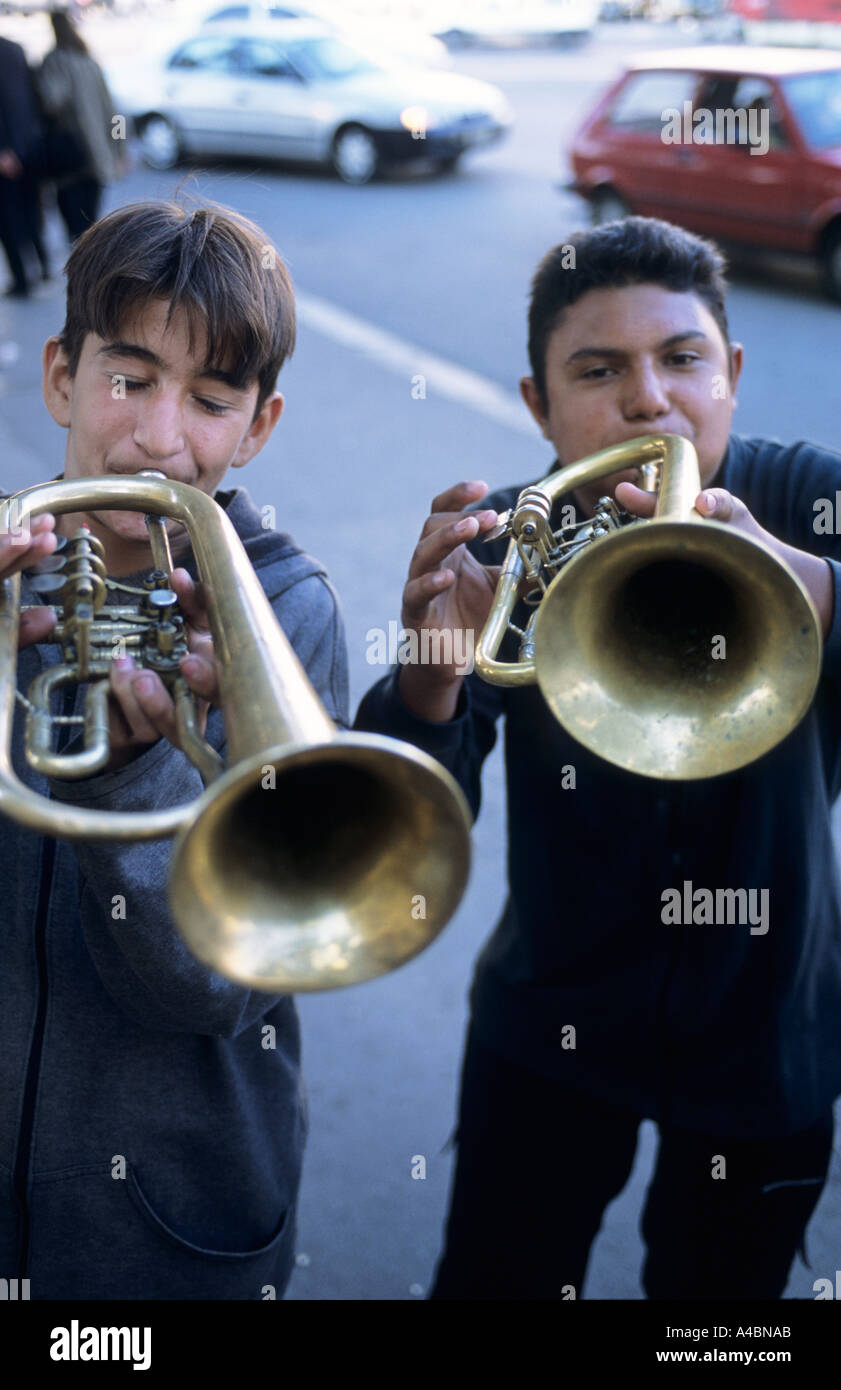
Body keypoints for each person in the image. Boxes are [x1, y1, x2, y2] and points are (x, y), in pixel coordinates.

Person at [355, 216, 841, 1300]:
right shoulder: (504, 542)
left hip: (766, 1034)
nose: (648, 399)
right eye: (596, 369)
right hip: (552, 1022)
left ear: (733, 372)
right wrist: (431, 675)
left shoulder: (812, 497)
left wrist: (817, 594)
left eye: (682, 358)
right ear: (536, 403)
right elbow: (402, 821)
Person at [0, 198, 348, 1299]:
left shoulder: (286, 616)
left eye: (210, 400)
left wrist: (127, 771)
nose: (159, 439)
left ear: (258, 428)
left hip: (166, 1227)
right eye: (129, 377)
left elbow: (218, 984)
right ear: (62, 376)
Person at [35, 11, 124, 243]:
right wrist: (120, 150)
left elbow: (51, 101)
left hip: (71, 157)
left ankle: (81, 272)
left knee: (75, 228)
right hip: (98, 157)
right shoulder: (90, 62)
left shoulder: (55, 60)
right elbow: (114, 112)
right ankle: (91, 268)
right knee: (91, 223)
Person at [0, 35, 50, 296]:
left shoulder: (14, 49)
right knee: (30, 210)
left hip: (10, 151)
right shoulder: (16, 48)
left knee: (9, 219)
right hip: (29, 146)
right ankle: (42, 266)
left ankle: (23, 279)